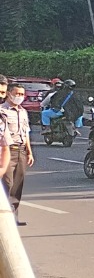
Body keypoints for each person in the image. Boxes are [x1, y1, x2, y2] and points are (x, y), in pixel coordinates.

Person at [0, 77, 35, 223]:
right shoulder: (2, 110)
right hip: (8, 150)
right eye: (17, 94)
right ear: (9, 94)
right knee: (7, 183)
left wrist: (29, 151)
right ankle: (4, 216)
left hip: (21, 150)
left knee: (17, 185)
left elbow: (26, 133)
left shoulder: (23, 112)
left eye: (22, 94)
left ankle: (13, 216)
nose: (19, 97)